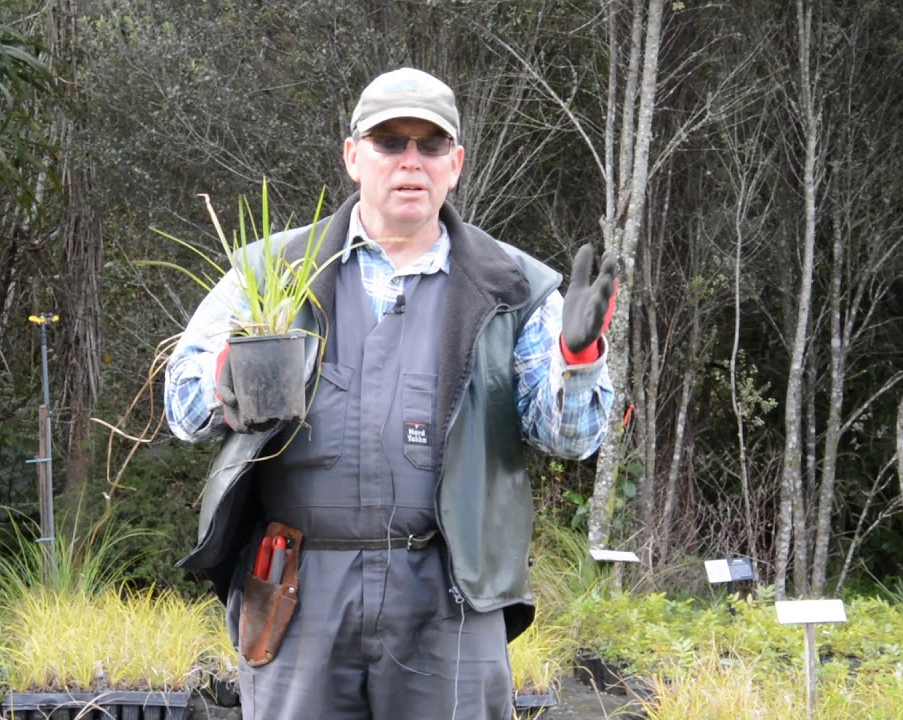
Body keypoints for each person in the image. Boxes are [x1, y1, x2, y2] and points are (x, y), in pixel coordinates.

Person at [165, 67, 617, 720]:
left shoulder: (513, 287)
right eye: (389, 142)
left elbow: (571, 440)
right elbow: (182, 409)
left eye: (430, 144)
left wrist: (578, 361)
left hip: (450, 593)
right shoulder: (270, 273)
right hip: (296, 591)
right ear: (354, 156)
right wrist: (228, 380)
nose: (411, 161)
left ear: (455, 164)